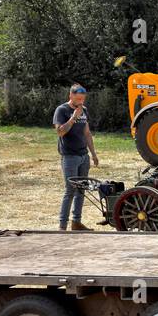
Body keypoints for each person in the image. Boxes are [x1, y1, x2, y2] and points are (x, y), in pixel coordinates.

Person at [53, 84, 99, 231]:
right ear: (70, 96)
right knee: (70, 190)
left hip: (83, 156)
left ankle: (76, 223)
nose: (80, 102)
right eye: (78, 99)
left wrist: (93, 154)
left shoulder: (84, 110)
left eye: (82, 99)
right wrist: (73, 117)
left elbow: (87, 133)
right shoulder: (62, 110)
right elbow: (60, 132)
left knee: (81, 190)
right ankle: (62, 226)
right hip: (69, 156)